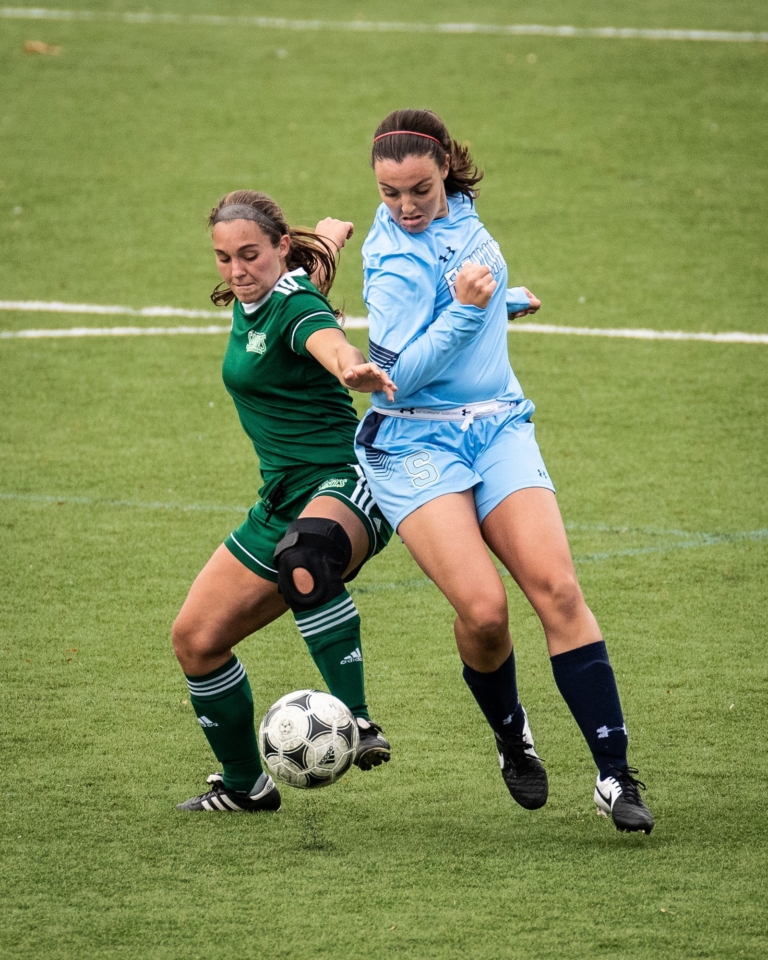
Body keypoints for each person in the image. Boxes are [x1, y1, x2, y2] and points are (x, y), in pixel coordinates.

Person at [352, 109, 654, 833]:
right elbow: (398, 375)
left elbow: (465, 289)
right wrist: (467, 313)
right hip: (416, 443)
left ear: (446, 170)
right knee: (486, 614)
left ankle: (615, 777)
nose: (405, 207)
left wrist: (501, 306)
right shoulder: (390, 257)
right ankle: (511, 732)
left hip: (495, 425)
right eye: (390, 194)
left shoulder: (461, 211)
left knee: (557, 587)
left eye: (419, 190)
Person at [172, 190, 397, 813]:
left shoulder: (295, 307)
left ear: (277, 248)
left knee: (305, 556)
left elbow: (324, 337)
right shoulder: (277, 284)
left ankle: (358, 721)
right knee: (195, 639)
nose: (238, 271)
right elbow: (316, 264)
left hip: (344, 484)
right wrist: (331, 236)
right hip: (279, 498)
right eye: (223, 258)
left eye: (250, 254)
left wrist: (351, 366)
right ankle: (246, 787)